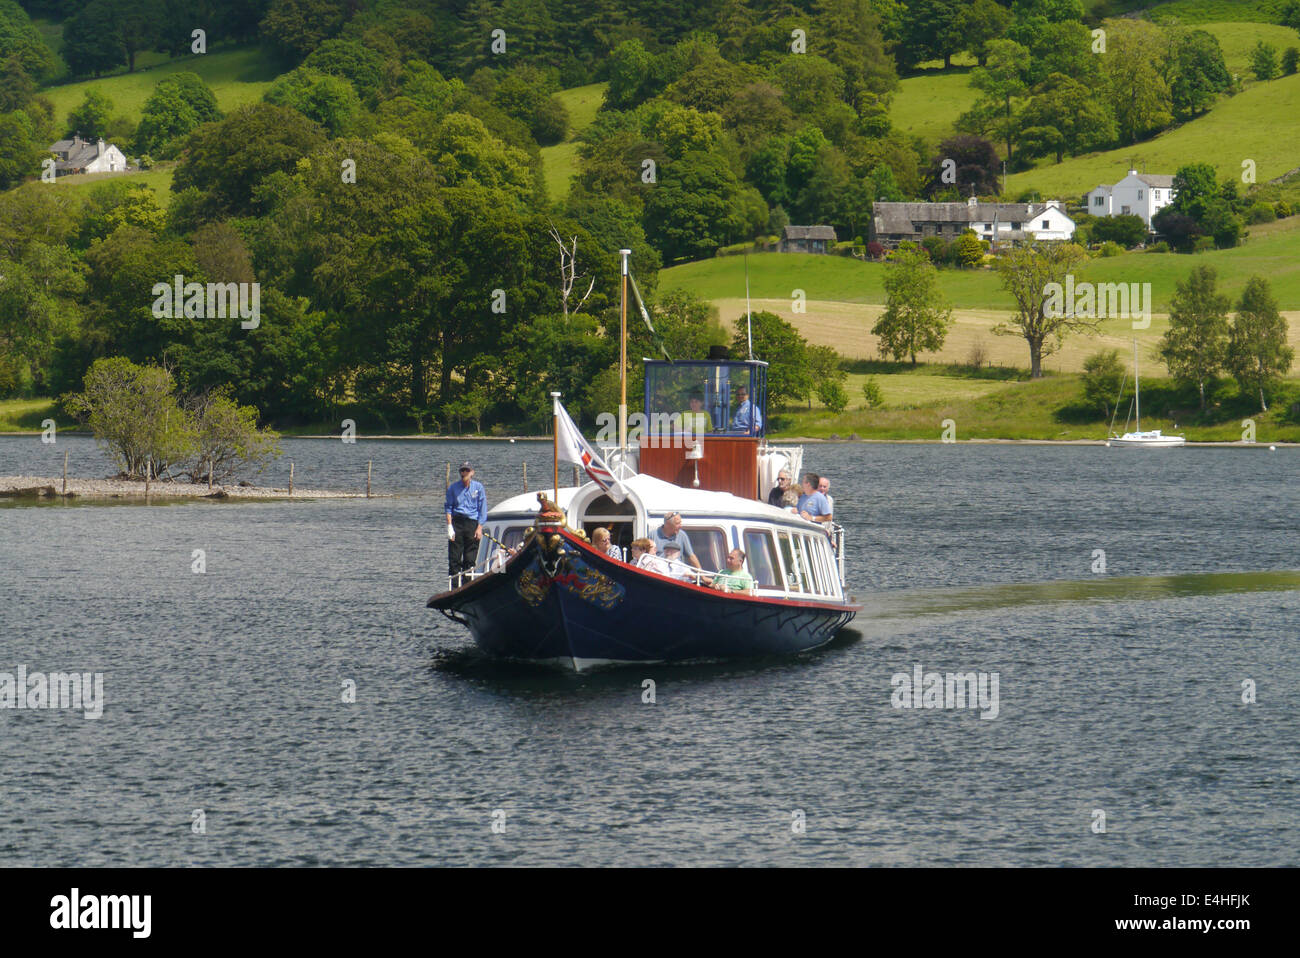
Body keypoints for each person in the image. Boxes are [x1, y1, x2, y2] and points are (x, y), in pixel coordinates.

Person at [445, 461, 487, 584]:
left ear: (472, 472)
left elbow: (482, 509)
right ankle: (454, 587)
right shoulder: (453, 488)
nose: (464, 473)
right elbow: (448, 508)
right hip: (457, 522)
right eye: (462, 471)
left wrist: (479, 528)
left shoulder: (478, 487)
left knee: (470, 558)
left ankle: (467, 584)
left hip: (472, 523)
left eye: (467, 470)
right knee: (454, 557)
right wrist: (449, 526)